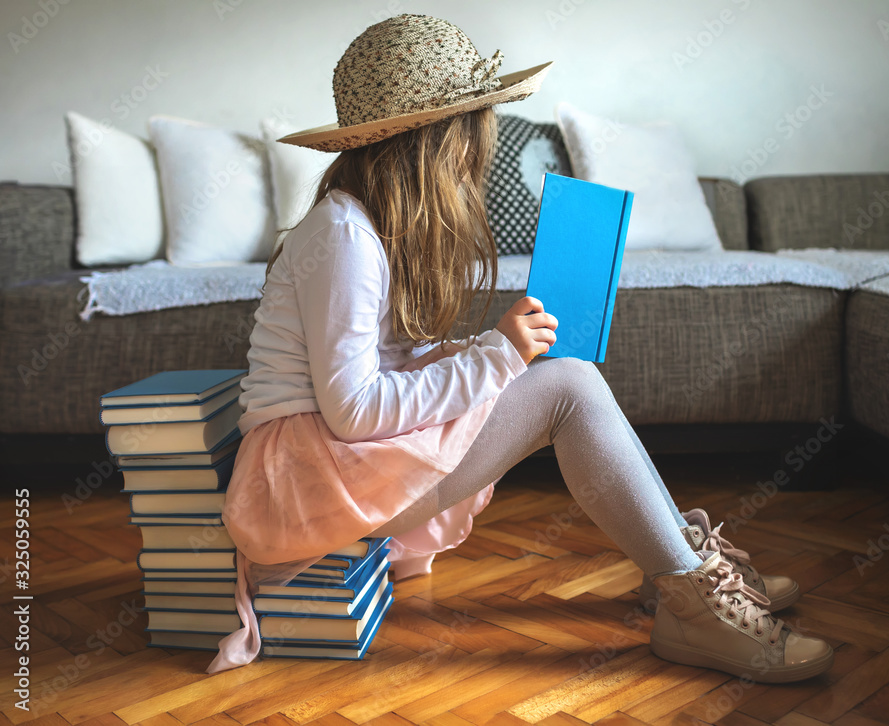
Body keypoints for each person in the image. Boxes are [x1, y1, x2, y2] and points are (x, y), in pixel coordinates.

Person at [206, 13, 834, 683]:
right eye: (479, 121)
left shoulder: (361, 225)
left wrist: (484, 349)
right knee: (569, 386)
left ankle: (679, 564)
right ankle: (691, 598)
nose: (487, 141)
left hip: (326, 468)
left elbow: (370, 375)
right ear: (439, 138)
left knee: (566, 374)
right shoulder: (345, 236)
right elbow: (354, 412)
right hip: (308, 482)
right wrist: (496, 356)